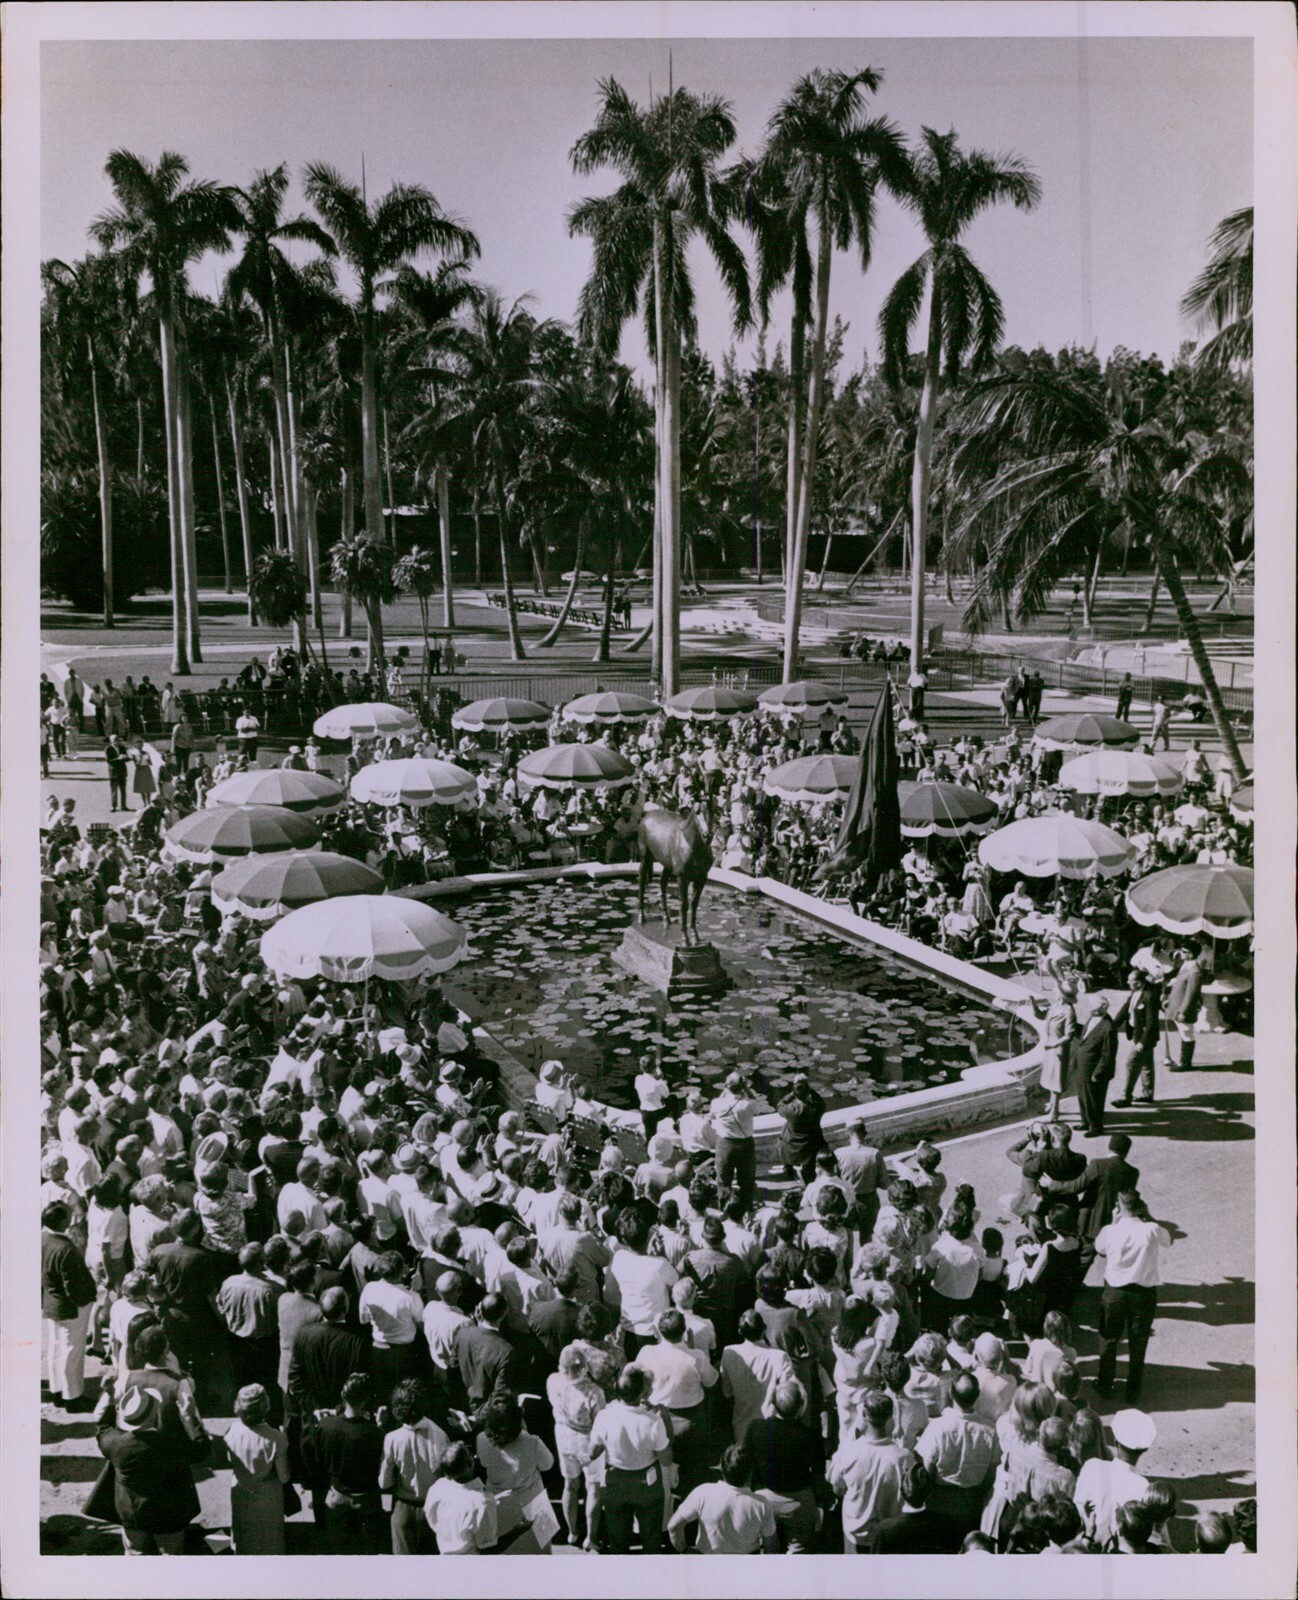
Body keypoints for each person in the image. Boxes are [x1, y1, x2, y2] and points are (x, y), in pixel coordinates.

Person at [93, 1378, 211, 1555]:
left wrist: (109, 1396)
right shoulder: (170, 1444)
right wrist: (189, 1418)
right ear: (154, 1413)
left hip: (131, 1512)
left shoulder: (114, 1443)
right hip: (169, 1514)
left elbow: (103, 1426)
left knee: (135, 1552)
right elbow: (201, 1448)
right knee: (171, 1555)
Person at [1094, 1190, 1171, 1402]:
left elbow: (1099, 1248)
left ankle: (1105, 1384)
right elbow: (1168, 1241)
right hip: (1143, 1295)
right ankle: (1133, 1389)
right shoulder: (1151, 1229)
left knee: (1109, 1338)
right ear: (1140, 1207)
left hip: (1114, 1293)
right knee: (1138, 1342)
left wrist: (1113, 1221)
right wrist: (1149, 1217)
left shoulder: (1110, 1230)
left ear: (1118, 1208)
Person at [586, 1365, 671, 1554]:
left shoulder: (604, 1417)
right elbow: (666, 1460)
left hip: (615, 1484)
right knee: (651, 1538)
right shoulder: (653, 1420)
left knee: (618, 1540)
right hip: (647, 1486)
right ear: (642, 1392)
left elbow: (592, 1452)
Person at [307, 1371, 386, 1554]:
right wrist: (380, 1426)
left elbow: (317, 1458)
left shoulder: (326, 1426)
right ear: (366, 1400)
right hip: (367, 1501)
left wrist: (321, 1424)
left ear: (343, 1395)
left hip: (336, 1497)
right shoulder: (374, 1432)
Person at [915, 1371, 1000, 1535]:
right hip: (972, 1503)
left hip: (940, 1502)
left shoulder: (937, 1427)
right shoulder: (989, 1429)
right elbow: (991, 1472)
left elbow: (927, 1469)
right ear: (977, 1395)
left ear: (950, 1393)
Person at [828, 1389, 911, 1552]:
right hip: (889, 1535)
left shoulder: (847, 1452)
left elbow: (837, 1489)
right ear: (890, 1417)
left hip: (856, 1535)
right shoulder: (903, 1457)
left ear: (864, 1417)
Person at [379, 1378, 449, 1554]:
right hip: (433, 1509)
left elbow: (384, 1483)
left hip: (403, 1508)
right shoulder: (440, 1435)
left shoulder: (392, 1439)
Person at [667, 1443, 778, 1554]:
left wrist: (685, 1550)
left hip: (707, 1566)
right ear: (751, 1473)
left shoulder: (703, 1492)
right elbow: (771, 1548)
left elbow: (673, 1526)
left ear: (721, 1468)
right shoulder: (762, 1504)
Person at [1038, 1133, 1140, 1251]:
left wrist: (1052, 1184)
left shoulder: (1098, 1164)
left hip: (1091, 1222)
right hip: (1116, 1220)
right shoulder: (1133, 1172)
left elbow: (1076, 1186)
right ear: (1126, 1152)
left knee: (1085, 1252)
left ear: (1109, 1147)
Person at [41, 1199, 98, 1410]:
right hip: (70, 1307)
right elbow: (73, 1285)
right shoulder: (66, 1249)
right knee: (72, 1352)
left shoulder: (42, 1238)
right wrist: (86, 1300)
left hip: (51, 1302)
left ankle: (58, 1391)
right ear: (63, 1221)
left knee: (56, 1349)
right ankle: (73, 1397)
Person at [1073, 1408, 1156, 1547]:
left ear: (1115, 1440)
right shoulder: (1144, 1487)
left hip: (1086, 1542)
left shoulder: (1090, 1466)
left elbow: (1078, 1507)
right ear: (1145, 1449)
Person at [225, 1383, 291, 1554]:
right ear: (265, 1407)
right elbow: (284, 1476)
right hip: (267, 1497)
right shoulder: (276, 1437)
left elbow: (229, 1459)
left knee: (245, 1538)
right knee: (268, 1541)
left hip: (240, 1490)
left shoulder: (232, 1431)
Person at [422, 1441, 498, 1554]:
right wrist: (519, 1530)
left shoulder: (438, 1487)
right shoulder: (482, 1502)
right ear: (470, 1463)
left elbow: (431, 1515)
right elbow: (487, 1547)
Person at [710, 1073, 759, 1210]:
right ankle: (747, 1209)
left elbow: (713, 1113)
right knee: (747, 1181)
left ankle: (724, 1210)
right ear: (742, 1087)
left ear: (727, 1086)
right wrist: (747, 1090)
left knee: (724, 1181)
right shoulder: (748, 1104)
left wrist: (725, 1090)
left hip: (725, 1145)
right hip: (745, 1144)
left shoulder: (717, 1103)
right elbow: (757, 1107)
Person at [1115, 975, 1162, 1105]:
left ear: (1139, 982)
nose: (1128, 982)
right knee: (1146, 1065)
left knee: (1131, 1063)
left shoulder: (1149, 996)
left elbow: (1151, 1022)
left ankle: (1125, 1097)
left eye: (1131, 980)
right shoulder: (1135, 993)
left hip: (1143, 1037)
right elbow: (1125, 1009)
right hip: (1138, 1035)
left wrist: (1142, 1041)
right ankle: (1147, 1094)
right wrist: (1112, 1026)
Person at [1073, 997, 1118, 1136]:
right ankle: (1085, 1121)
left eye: (1093, 1007)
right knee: (1082, 1096)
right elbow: (1085, 1034)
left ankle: (1095, 1126)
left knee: (1094, 1100)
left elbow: (1108, 1054)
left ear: (1103, 1008)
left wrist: (1098, 1072)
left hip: (1093, 1070)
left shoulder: (1108, 1027)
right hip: (1082, 1067)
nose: (1090, 1009)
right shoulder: (1093, 1018)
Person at [1164, 947, 1208, 1072]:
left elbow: (1191, 994)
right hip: (1176, 1005)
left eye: (1184, 951)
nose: (1180, 953)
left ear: (1191, 953)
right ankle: (1183, 1061)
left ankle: (1185, 1063)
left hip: (1184, 1008)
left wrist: (1183, 1011)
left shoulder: (1195, 972)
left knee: (1187, 1033)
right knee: (1184, 1033)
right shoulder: (1186, 965)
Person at [1040, 985, 1078, 1124]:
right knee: (1051, 1078)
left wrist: (1054, 1044)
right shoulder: (1055, 1006)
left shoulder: (1069, 1011)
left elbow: (1069, 1035)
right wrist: (1032, 1003)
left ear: (1062, 995)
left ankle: (1054, 1113)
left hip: (1059, 1050)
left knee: (1056, 1081)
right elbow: (1041, 1016)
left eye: (1056, 990)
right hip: (1051, 1047)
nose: (1054, 991)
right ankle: (1051, 1105)